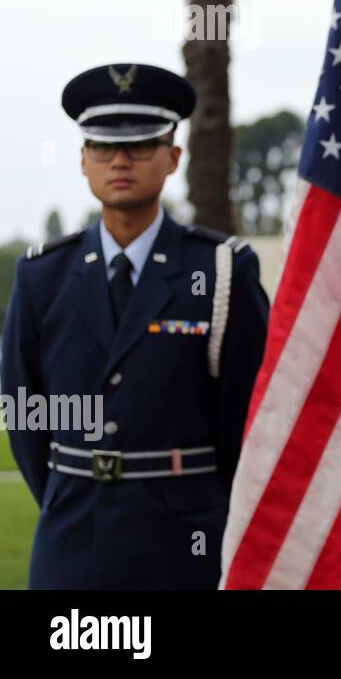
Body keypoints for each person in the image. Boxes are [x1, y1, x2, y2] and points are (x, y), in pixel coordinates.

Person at [1, 63, 269, 588]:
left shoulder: (221, 269)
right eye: (102, 145)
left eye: (142, 144)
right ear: (83, 160)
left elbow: (247, 422)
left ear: (173, 157)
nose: (120, 159)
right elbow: (25, 413)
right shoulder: (42, 275)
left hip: (186, 542)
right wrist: (70, 488)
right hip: (71, 540)